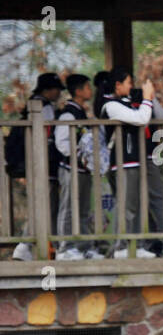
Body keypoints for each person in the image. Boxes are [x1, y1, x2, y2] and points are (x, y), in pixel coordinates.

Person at [97, 67, 163, 259]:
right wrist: (147, 98)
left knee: (137, 205)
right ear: (118, 85)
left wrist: (149, 98)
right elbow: (141, 119)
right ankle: (121, 247)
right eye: (129, 83)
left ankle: (137, 244)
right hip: (123, 162)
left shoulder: (126, 103)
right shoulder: (110, 105)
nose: (132, 87)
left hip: (136, 161)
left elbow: (150, 116)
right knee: (127, 206)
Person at [6, 73, 63, 260]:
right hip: (43, 165)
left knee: (43, 205)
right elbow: (48, 136)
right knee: (44, 205)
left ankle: (33, 247)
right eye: (56, 89)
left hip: (35, 165)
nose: (58, 93)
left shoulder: (30, 106)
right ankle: (25, 246)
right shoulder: (43, 107)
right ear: (47, 89)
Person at [53, 74, 107, 260]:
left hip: (82, 169)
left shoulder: (82, 112)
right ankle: (65, 247)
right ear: (78, 91)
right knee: (68, 207)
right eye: (86, 87)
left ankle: (83, 247)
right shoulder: (68, 113)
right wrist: (80, 155)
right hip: (70, 169)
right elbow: (62, 142)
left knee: (83, 209)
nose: (90, 91)